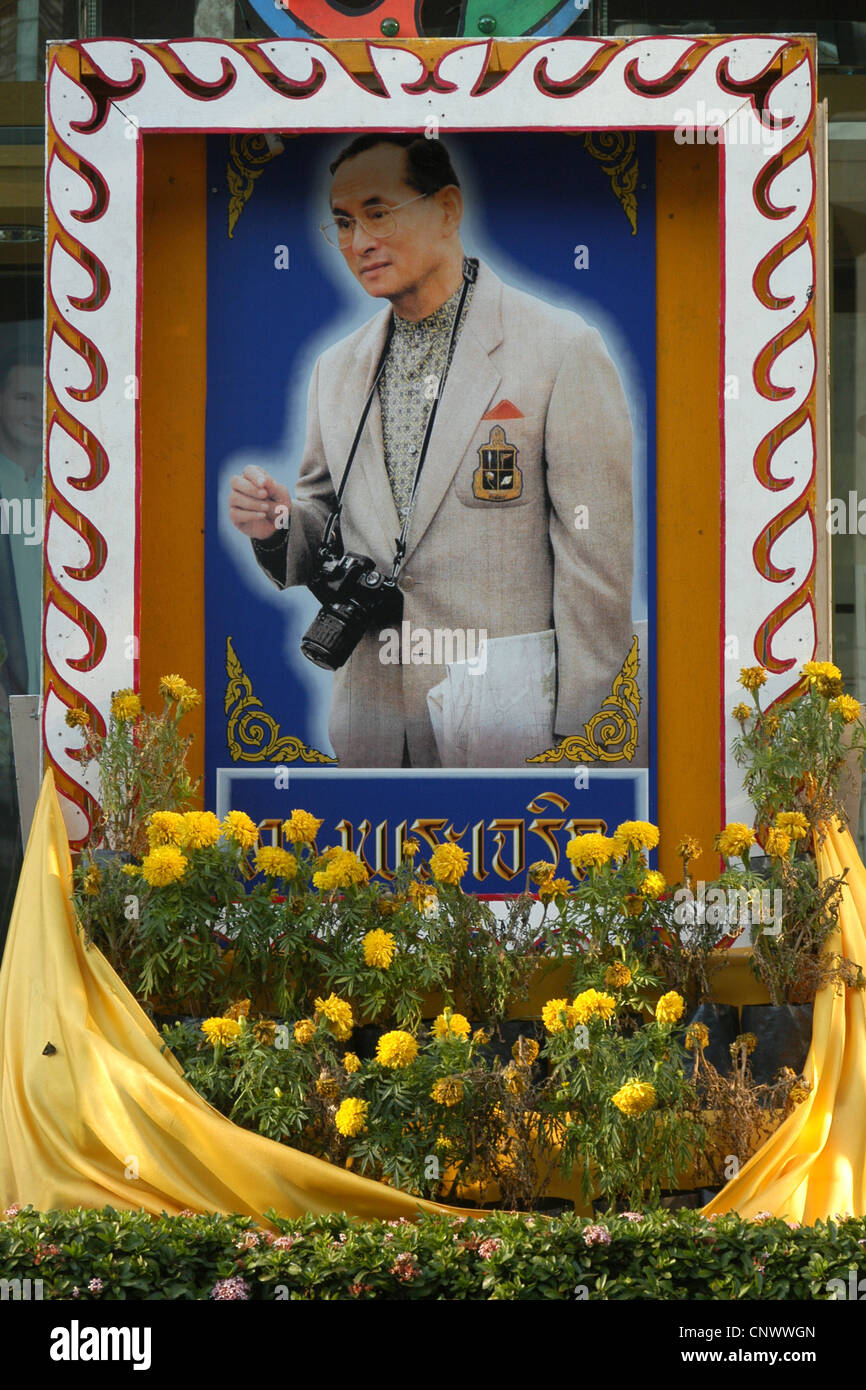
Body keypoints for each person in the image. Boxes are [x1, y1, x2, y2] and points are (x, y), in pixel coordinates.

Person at [228, 134, 634, 767]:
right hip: (374, 728)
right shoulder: (335, 369)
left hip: (511, 727)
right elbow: (320, 519)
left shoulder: (561, 349)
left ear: (447, 209)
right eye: (342, 222)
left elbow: (595, 563)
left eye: (378, 211)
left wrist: (584, 736)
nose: (359, 241)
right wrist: (277, 523)